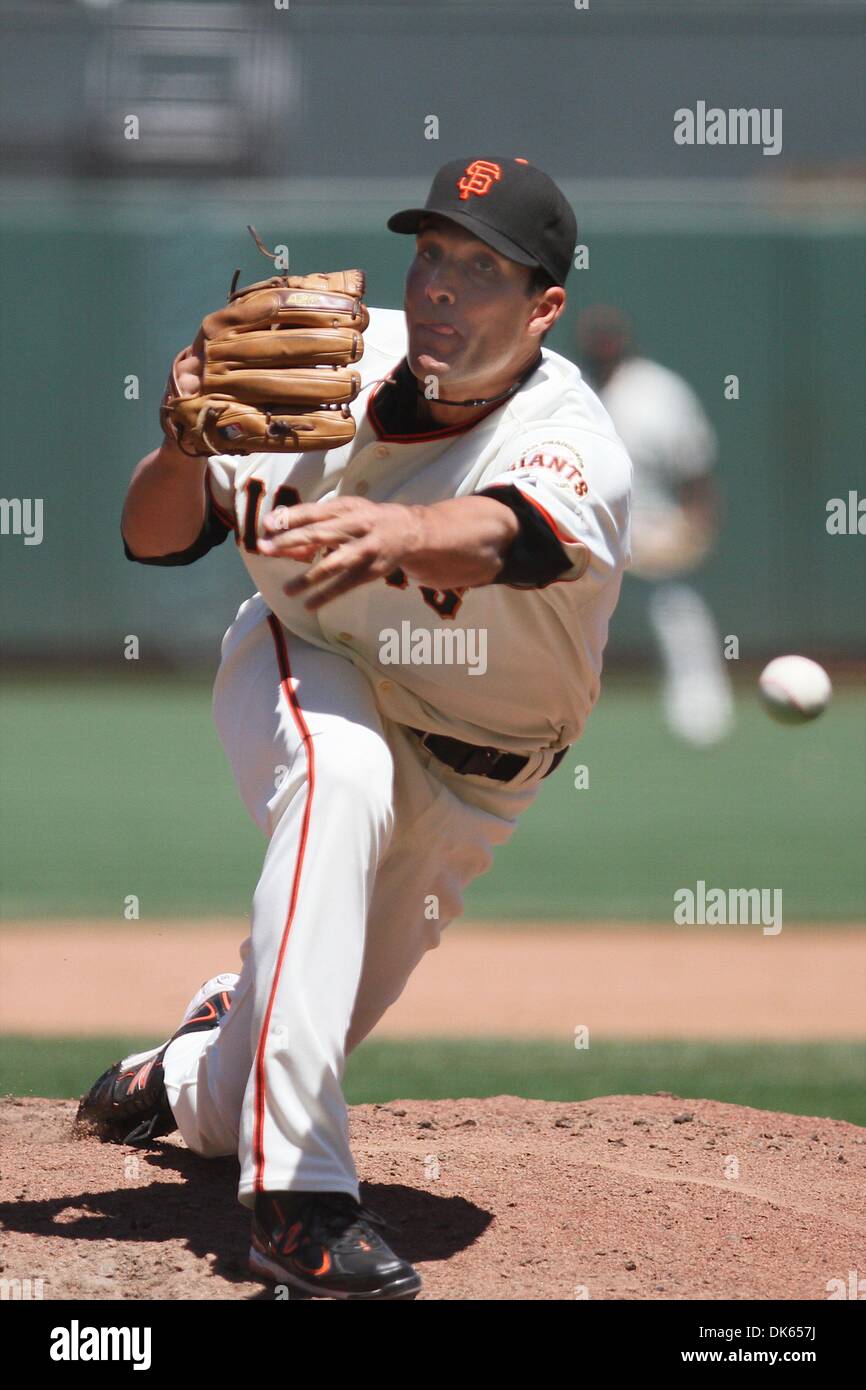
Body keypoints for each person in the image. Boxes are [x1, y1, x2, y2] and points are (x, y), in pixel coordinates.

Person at [78, 157, 631, 1300]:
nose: (438, 284)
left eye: (481, 267)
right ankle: (301, 1207)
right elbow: (149, 538)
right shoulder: (326, 357)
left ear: (542, 308)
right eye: (431, 251)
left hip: (483, 777)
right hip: (311, 659)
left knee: (236, 1100)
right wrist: (181, 444)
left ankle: (190, 1065)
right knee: (343, 773)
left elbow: (510, 534)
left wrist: (397, 530)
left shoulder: (570, 430)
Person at [577, 305, 734, 747]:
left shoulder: (659, 390)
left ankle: (701, 712)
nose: (603, 349)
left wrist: (697, 524)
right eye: (596, 342)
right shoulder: (573, 389)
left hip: (653, 526)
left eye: (610, 340)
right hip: (586, 528)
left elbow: (696, 467)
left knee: (677, 614)